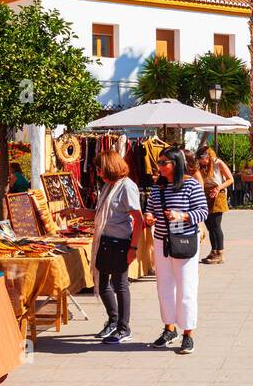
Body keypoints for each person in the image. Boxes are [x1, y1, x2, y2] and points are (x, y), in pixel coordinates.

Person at [144, 147, 208, 354]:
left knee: (186, 288)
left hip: (184, 241)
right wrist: (149, 217)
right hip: (162, 240)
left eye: (164, 163)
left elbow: (202, 211)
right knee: (164, 288)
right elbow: (150, 209)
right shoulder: (157, 187)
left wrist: (182, 216)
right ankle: (169, 328)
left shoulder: (190, 185)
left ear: (176, 164)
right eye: (159, 163)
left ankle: (188, 333)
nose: (160, 167)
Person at [83, 150, 142, 343]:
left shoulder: (127, 187)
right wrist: (77, 211)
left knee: (120, 284)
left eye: (100, 169)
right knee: (102, 283)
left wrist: (133, 248)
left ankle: (124, 328)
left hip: (120, 242)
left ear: (109, 167)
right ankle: (113, 320)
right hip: (105, 240)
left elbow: (138, 219)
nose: (98, 173)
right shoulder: (109, 186)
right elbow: (102, 214)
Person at [197, 145, 233, 265]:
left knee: (216, 225)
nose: (201, 161)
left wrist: (218, 188)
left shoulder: (218, 163)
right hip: (206, 194)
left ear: (208, 156)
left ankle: (220, 253)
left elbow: (230, 179)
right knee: (209, 225)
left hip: (218, 193)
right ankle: (213, 251)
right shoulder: (201, 166)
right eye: (200, 159)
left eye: (203, 158)